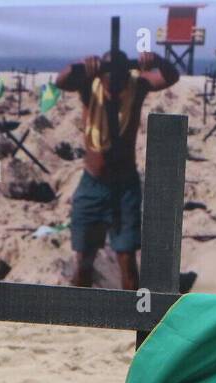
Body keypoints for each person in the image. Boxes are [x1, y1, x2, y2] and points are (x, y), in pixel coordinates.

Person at [55, 49, 179, 289]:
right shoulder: (88, 86)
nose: (115, 84)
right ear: (101, 75)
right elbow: (61, 80)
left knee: (127, 261)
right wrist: (82, 63)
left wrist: (157, 60)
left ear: (128, 74)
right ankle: (81, 322)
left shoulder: (137, 86)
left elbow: (170, 76)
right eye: (109, 77)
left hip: (125, 188)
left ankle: (131, 320)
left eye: (120, 77)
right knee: (84, 261)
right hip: (92, 185)